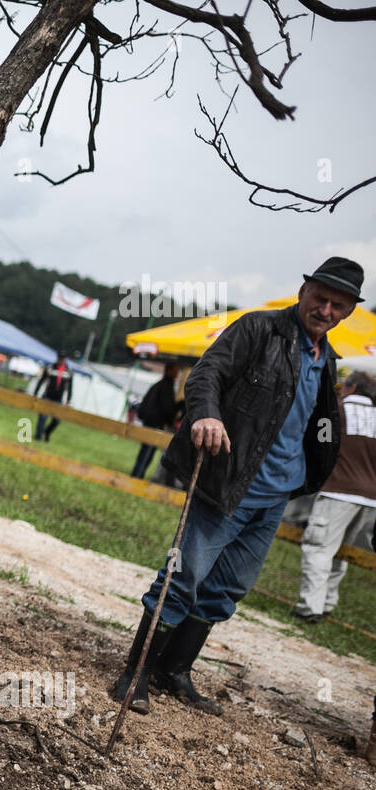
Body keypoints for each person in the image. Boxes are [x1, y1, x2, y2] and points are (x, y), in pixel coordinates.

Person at [109, 257, 361, 716]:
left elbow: (318, 424)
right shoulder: (258, 329)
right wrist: (205, 412)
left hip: (275, 497)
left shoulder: (327, 361)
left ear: (347, 311)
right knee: (182, 578)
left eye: (336, 304)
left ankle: (175, 670)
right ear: (303, 290)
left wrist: (313, 472)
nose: (324, 309)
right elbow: (207, 373)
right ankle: (136, 673)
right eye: (319, 297)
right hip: (228, 483)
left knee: (226, 588)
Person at [292, 370, 376, 622]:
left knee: (319, 548)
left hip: (339, 490)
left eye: (342, 386)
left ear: (351, 388)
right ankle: (327, 602)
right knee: (341, 552)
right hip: (371, 498)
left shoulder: (335, 413)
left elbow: (320, 444)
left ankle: (310, 608)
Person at [130, 363, 183, 479]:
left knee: (146, 451)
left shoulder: (160, 384)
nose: (177, 373)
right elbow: (167, 408)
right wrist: (175, 414)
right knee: (147, 452)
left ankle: (137, 474)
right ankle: (137, 476)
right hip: (154, 424)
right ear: (169, 371)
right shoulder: (165, 386)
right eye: (175, 370)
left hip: (151, 422)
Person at [33, 353, 73, 441]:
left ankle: (46, 432)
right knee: (43, 417)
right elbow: (42, 380)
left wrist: (68, 400)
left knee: (57, 420)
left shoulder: (68, 371)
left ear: (65, 359)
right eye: (60, 358)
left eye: (63, 358)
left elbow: (70, 386)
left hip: (58, 399)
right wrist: (36, 393)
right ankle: (38, 436)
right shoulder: (50, 367)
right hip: (47, 396)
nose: (61, 360)